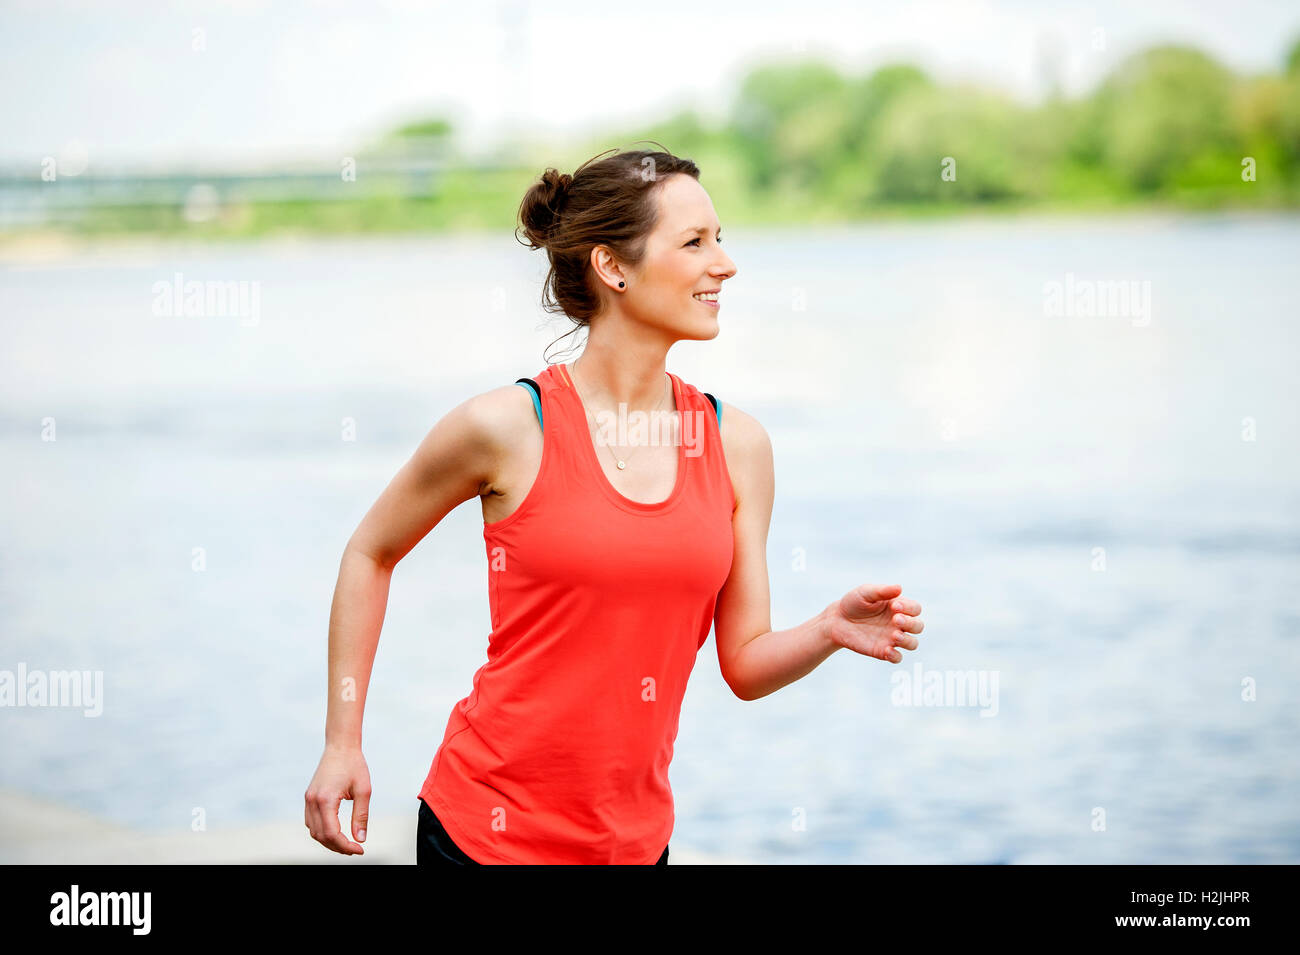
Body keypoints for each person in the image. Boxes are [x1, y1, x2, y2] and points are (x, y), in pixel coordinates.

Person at [303, 144, 925, 865]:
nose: (724, 263)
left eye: (720, 239)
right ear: (613, 266)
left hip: (633, 845)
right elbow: (370, 551)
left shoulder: (737, 446)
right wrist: (342, 743)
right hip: (483, 835)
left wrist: (827, 629)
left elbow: (744, 664)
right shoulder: (506, 427)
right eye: (694, 242)